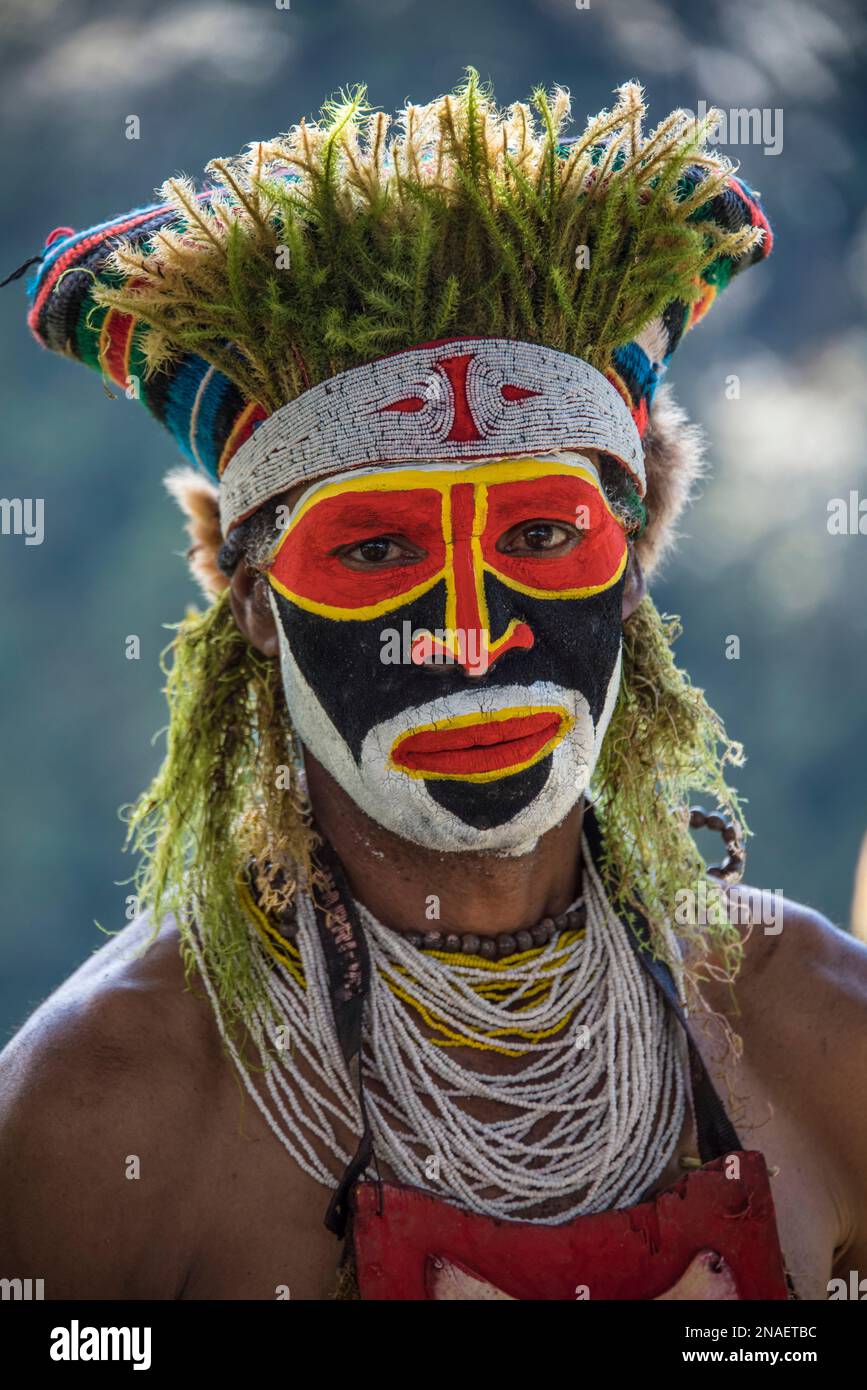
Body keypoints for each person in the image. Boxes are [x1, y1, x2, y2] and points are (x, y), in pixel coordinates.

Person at [2, 73, 866, 1302]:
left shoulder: (825, 1035)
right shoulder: (102, 1110)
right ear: (255, 602)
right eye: (375, 551)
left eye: (541, 538)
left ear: (629, 574)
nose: (469, 638)